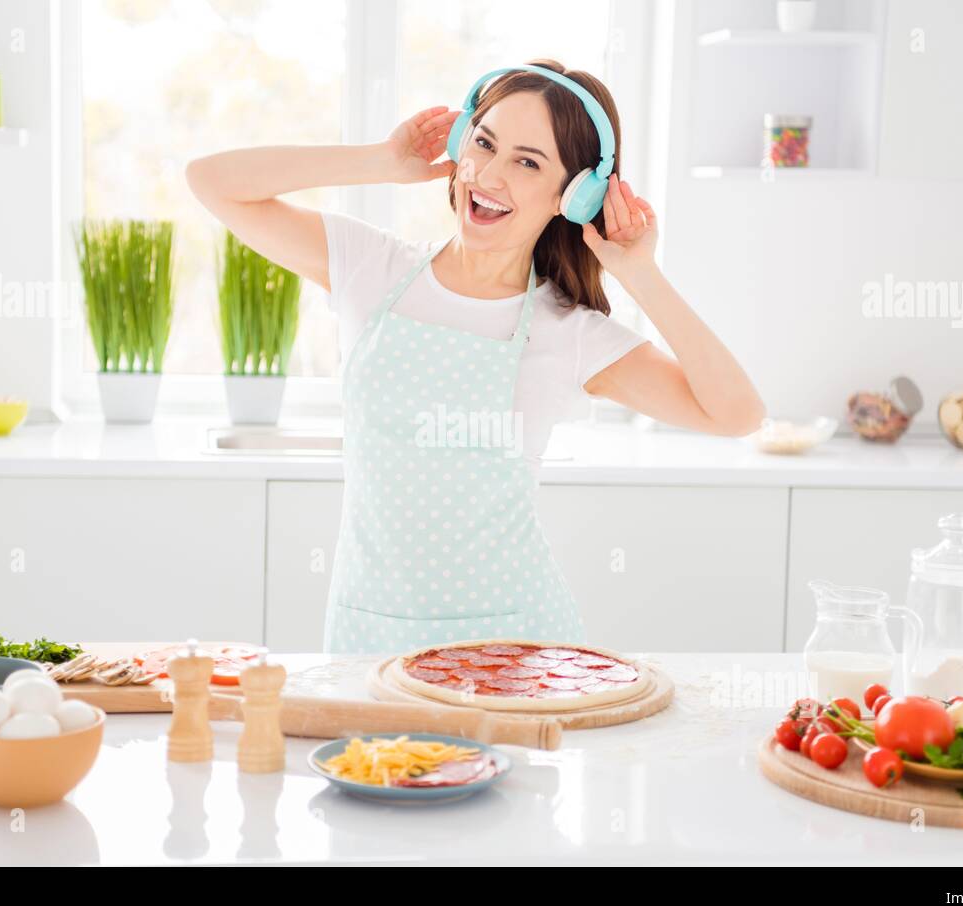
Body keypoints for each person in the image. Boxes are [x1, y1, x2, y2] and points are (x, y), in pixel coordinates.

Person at [187, 59, 765, 654]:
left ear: (575, 195)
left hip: (512, 646)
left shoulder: (568, 331)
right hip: (369, 634)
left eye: (528, 161)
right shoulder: (370, 268)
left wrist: (641, 275)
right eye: (483, 143)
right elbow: (211, 180)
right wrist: (378, 163)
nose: (488, 174)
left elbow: (737, 414)